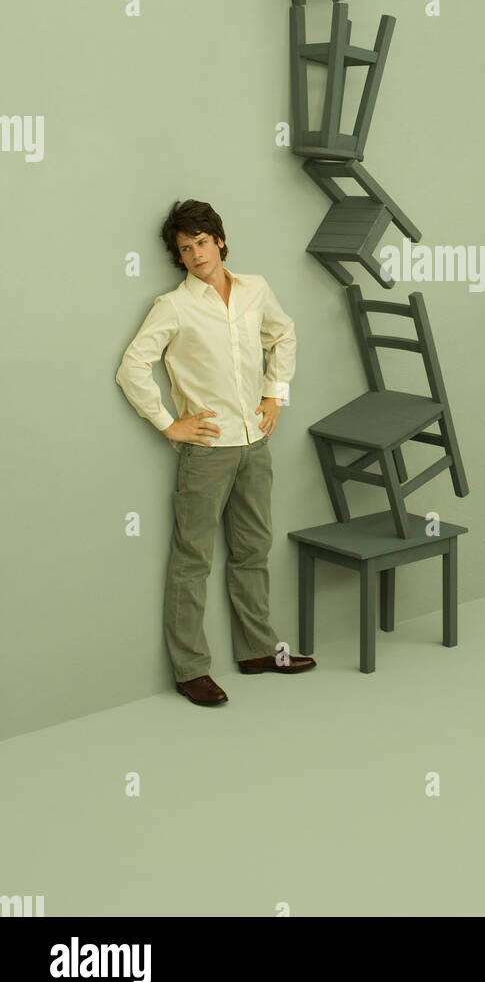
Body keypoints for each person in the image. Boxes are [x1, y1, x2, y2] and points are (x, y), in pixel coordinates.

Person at [114, 198, 316, 707]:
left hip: (256, 443)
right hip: (207, 452)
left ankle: (257, 650)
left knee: (252, 551)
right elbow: (131, 367)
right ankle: (191, 669)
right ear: (178, 258)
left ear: (219, 240)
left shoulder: (256, 290)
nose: (196, 254)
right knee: (192, 561)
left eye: (201, 242)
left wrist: (276, 396)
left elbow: (284, 334)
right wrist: (167, 424)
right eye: (185, 249)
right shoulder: (173, 306)